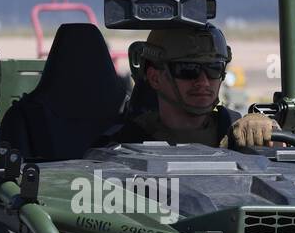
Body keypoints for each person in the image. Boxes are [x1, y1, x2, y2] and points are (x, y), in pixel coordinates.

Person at [111, 24, 277, 148]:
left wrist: (271, 133)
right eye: (188, 70)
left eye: (214, 69)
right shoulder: (125, 141)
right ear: (155, 78)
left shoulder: (237, 132)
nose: (203, 82)